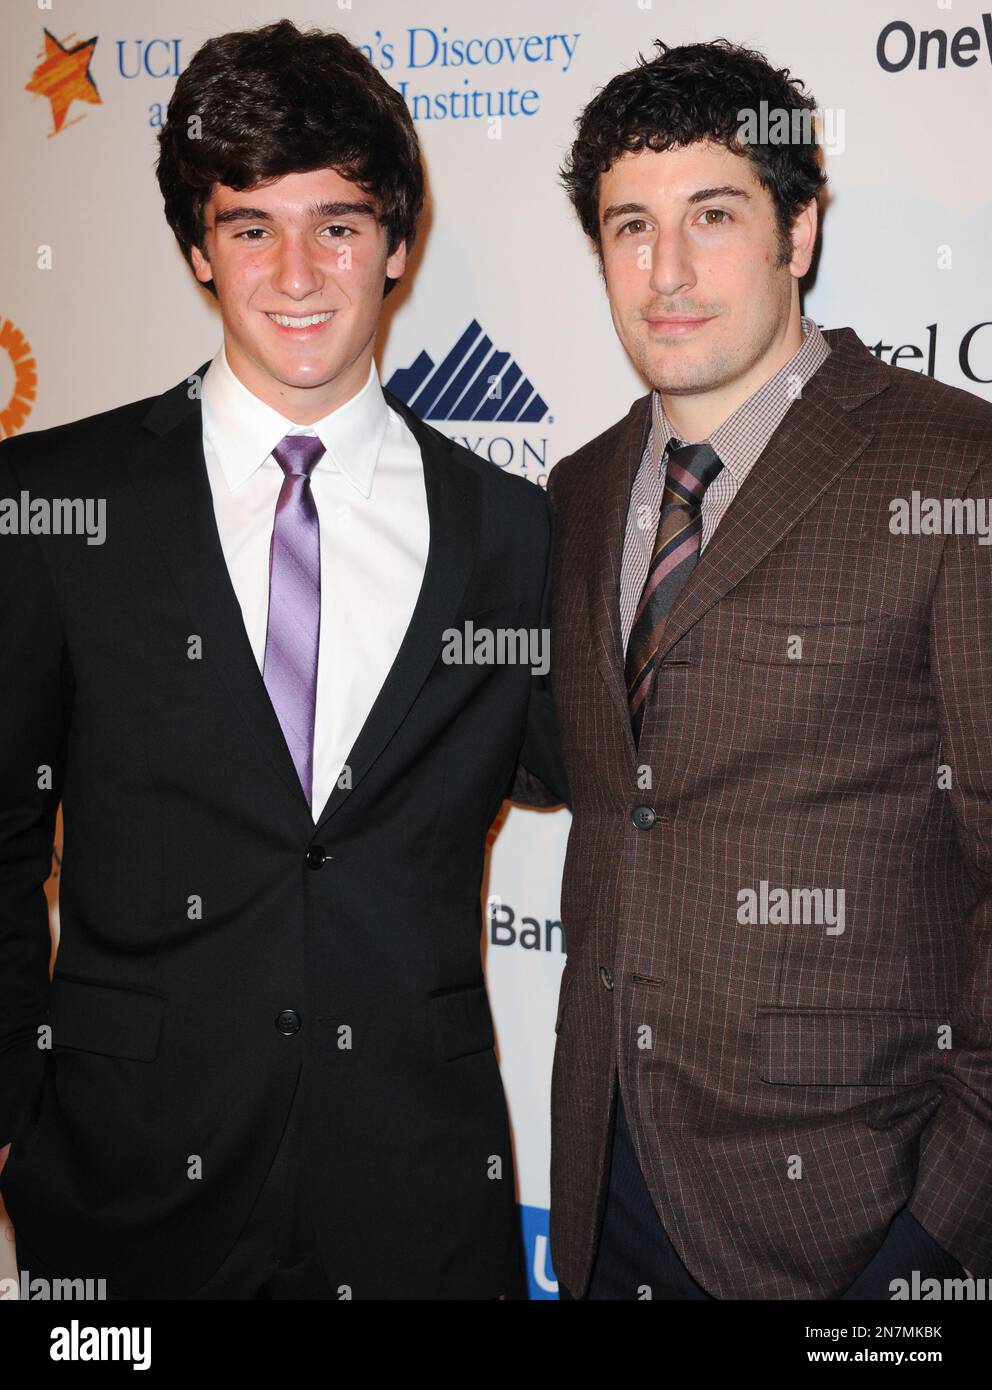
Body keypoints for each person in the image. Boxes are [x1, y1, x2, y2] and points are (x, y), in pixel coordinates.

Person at [0, 20, 566, 1300]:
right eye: (251, 225)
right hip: (123, 1185)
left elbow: (582, 756)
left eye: (340, 223)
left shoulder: (511, 527)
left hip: (417, 1188)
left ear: (398, 245)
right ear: (200, 249)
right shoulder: (53, 502)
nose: (297, 270)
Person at [546, 38, 989, 1299]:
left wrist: (932, 1243)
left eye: (712, 216)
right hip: (601, 1197)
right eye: (629, 226)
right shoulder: (576, 493)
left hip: (850, 1218)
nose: (664, 270)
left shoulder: (954, 470)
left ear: (797, 230)